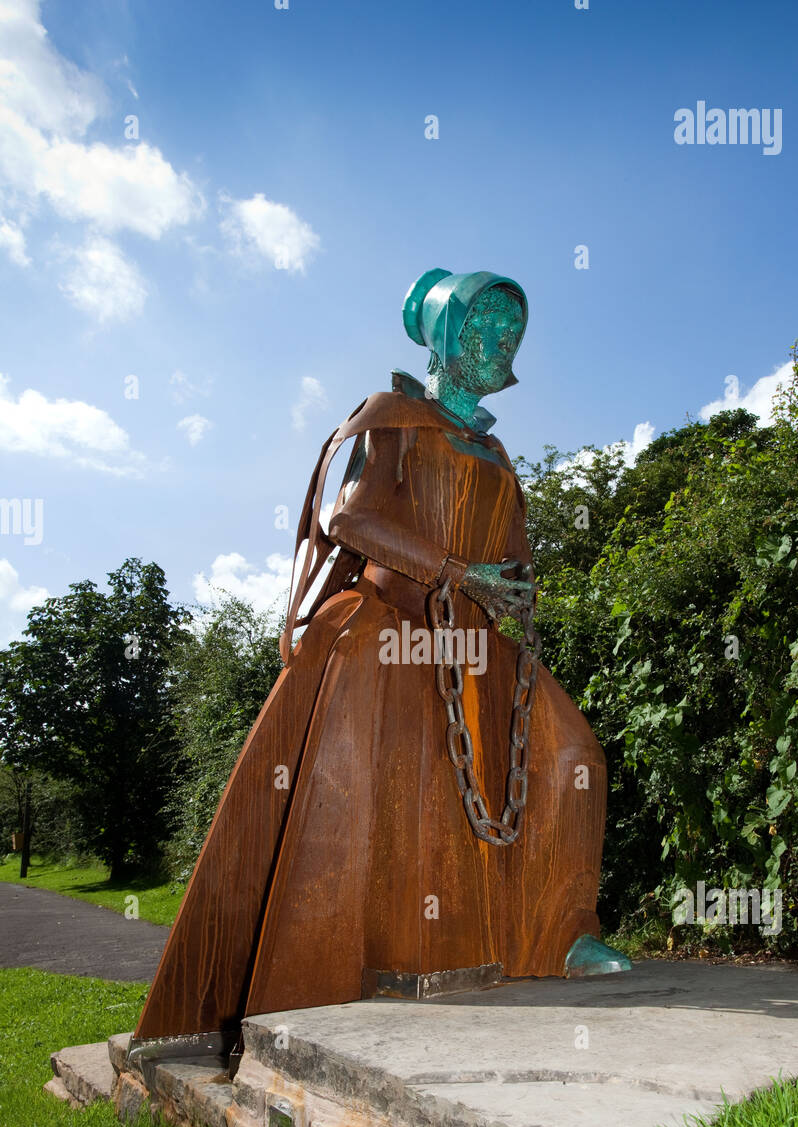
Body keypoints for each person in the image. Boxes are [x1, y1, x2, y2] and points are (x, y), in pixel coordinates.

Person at [129, 269, 606, 1066]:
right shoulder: (393, 423)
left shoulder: (494, 451)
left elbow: (517, 556)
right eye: (485, 324)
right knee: (377, 776)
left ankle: (562, 934)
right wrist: (452, 570)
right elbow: (348, 517)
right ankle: (314, 960)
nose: (501, 342)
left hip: (479, 639)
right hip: (396, 624)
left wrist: (516, 589)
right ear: (449, 336)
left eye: (511, 331)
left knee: (572, 753)